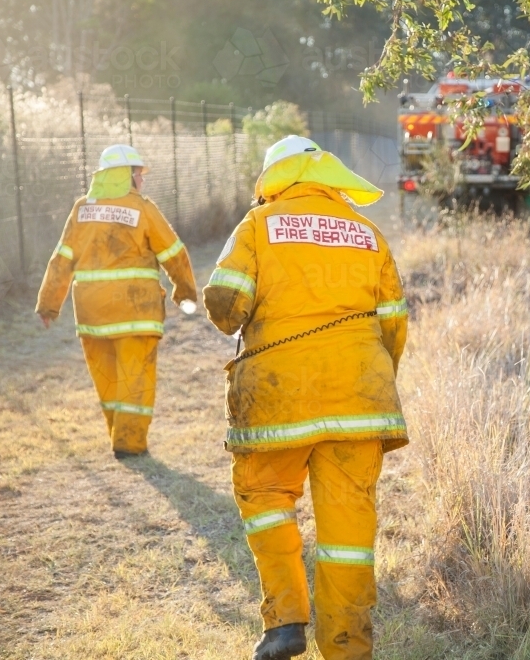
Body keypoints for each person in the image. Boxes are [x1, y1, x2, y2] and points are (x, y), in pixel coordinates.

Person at [203, 136, 408, 660]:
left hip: (276, 402)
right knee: (348, 536)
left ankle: (285, 622)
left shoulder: (256, 225)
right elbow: (394, 325)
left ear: (275, 179)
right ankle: (348, 648)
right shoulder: (368, 232)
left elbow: (227, 304)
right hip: (360, 400)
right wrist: (368, 384)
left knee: (266, 498)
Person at [36, 144, 197, 457]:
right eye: (140, 174)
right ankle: (129, 443)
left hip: (92, 315)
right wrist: (185, 292)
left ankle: (118, 434)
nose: (143, 181)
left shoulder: (82, 208)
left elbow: (62, 259)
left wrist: (48, 304)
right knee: (135, 377)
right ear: (129, 176)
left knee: (107, 378)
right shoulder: (142, 208)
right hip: (136, 312)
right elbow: (173, 253)